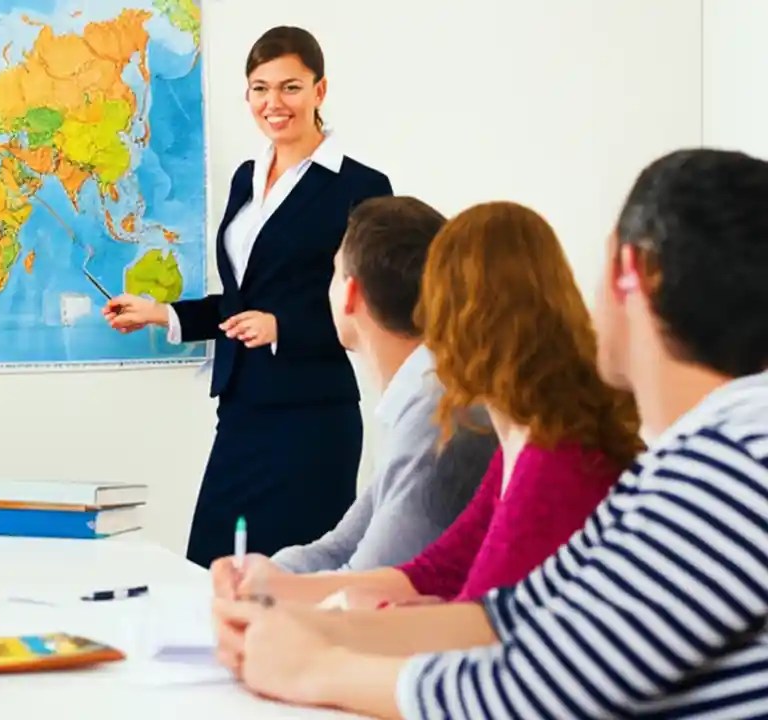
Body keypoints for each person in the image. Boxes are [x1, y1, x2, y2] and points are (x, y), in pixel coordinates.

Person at [213, 148, 768, 718]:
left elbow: (537, 687)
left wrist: (313, 666)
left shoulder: (731, 460)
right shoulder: (698, 459)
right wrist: (294, 622)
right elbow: (510, 617)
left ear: (633, 272)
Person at [223, 200, 643, 610]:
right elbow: (430, 577)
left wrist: (294, 628)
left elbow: (479, 628)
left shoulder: (512, 444)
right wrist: (270, 585)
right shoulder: (515, 444)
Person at [103, 26, 393, 568]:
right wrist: (162, 314)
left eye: (290, 87)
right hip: (243, 409)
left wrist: (284, 326)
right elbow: (243, 298)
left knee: (295, 579)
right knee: (210, 567)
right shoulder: (246, 178)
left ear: (319, 91)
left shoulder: (361, 187)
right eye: (260, 88)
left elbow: (372, 304)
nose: (273, 103)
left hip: (312, 415)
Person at [209, 196, 495, 596]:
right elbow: (341, 546)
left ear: (350, 294)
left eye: (332, 271)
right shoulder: (422, 396)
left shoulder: (439, 412)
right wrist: (265, 574)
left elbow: (370, 583)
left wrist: (276, 594)